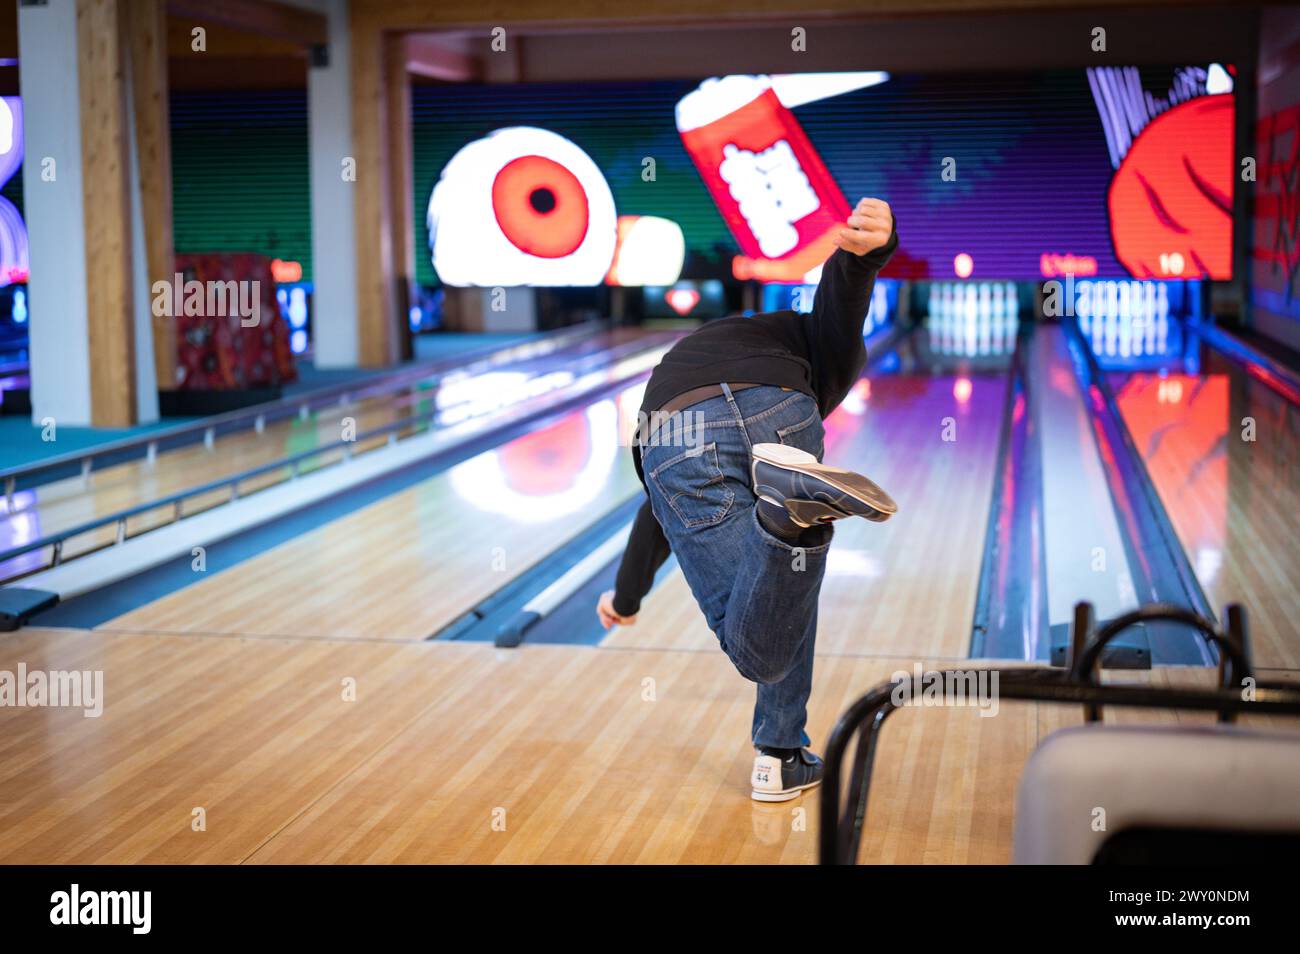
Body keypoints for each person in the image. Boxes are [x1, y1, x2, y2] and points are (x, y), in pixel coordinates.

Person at [597, 197, 899, 801]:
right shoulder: (816, 350)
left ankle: (790, 523)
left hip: (673, 424)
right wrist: (866, 256)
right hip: (778, 407)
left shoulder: (708, 346)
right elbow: (839, 311)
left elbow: (657, 510)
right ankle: (780, 752)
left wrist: (625, 596)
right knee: (785, 581)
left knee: (774, 595)